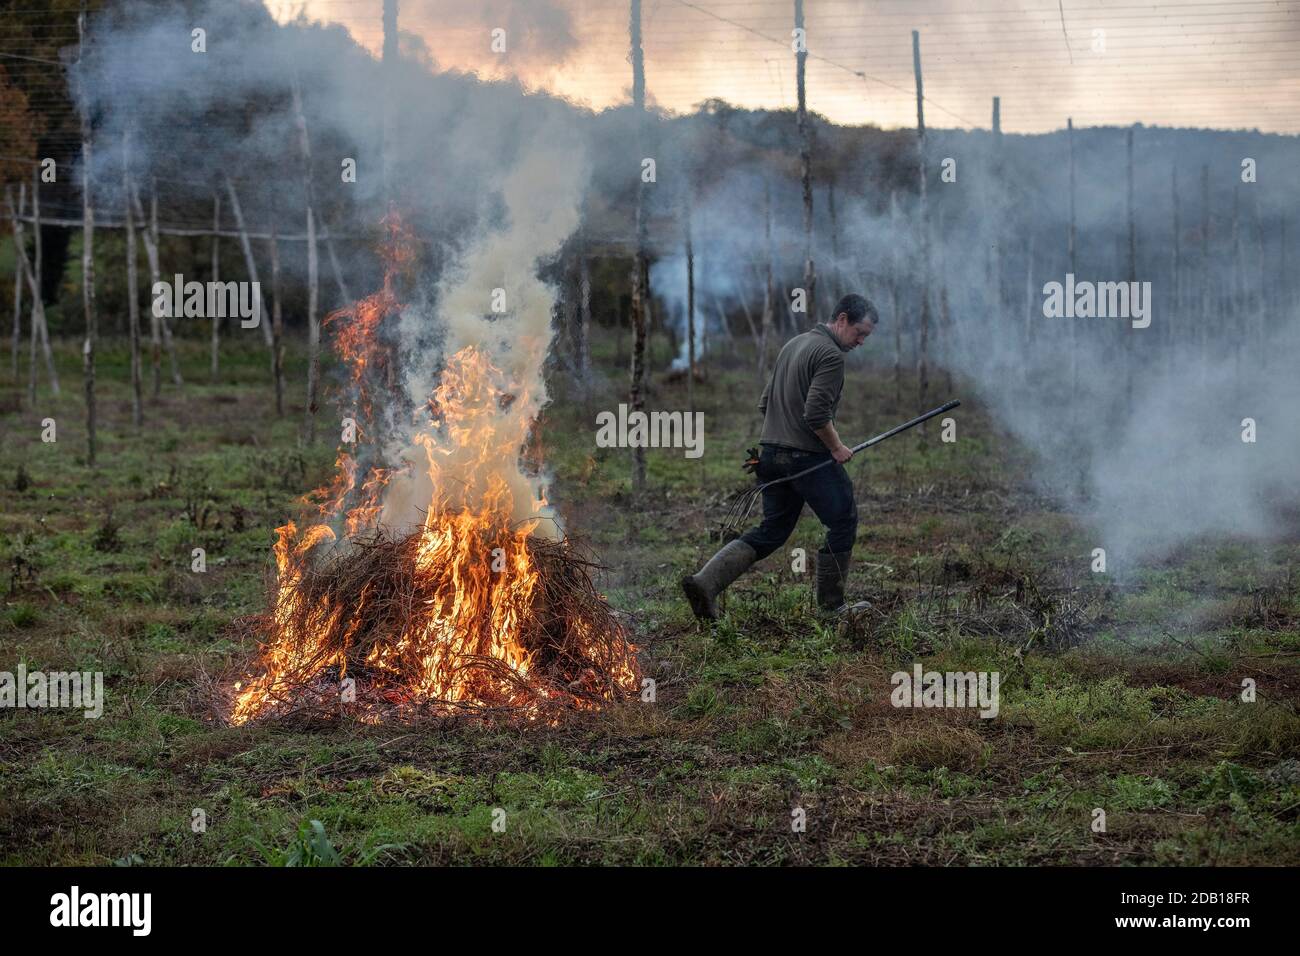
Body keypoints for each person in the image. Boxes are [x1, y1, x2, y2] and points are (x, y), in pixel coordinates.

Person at [682, 293, 879, 620]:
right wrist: (836, 447)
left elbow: (765, 403)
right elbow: (816, 413)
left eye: (866, 337)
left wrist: (782, 439)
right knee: (843, 521)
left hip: (769, 455)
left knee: (773, 529)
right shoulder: (831, 356)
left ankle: (706, 582)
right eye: (860, 333)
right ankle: (833, 609)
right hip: (807, 459)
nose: (861, 341)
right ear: (841, 319)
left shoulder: (794, 345)